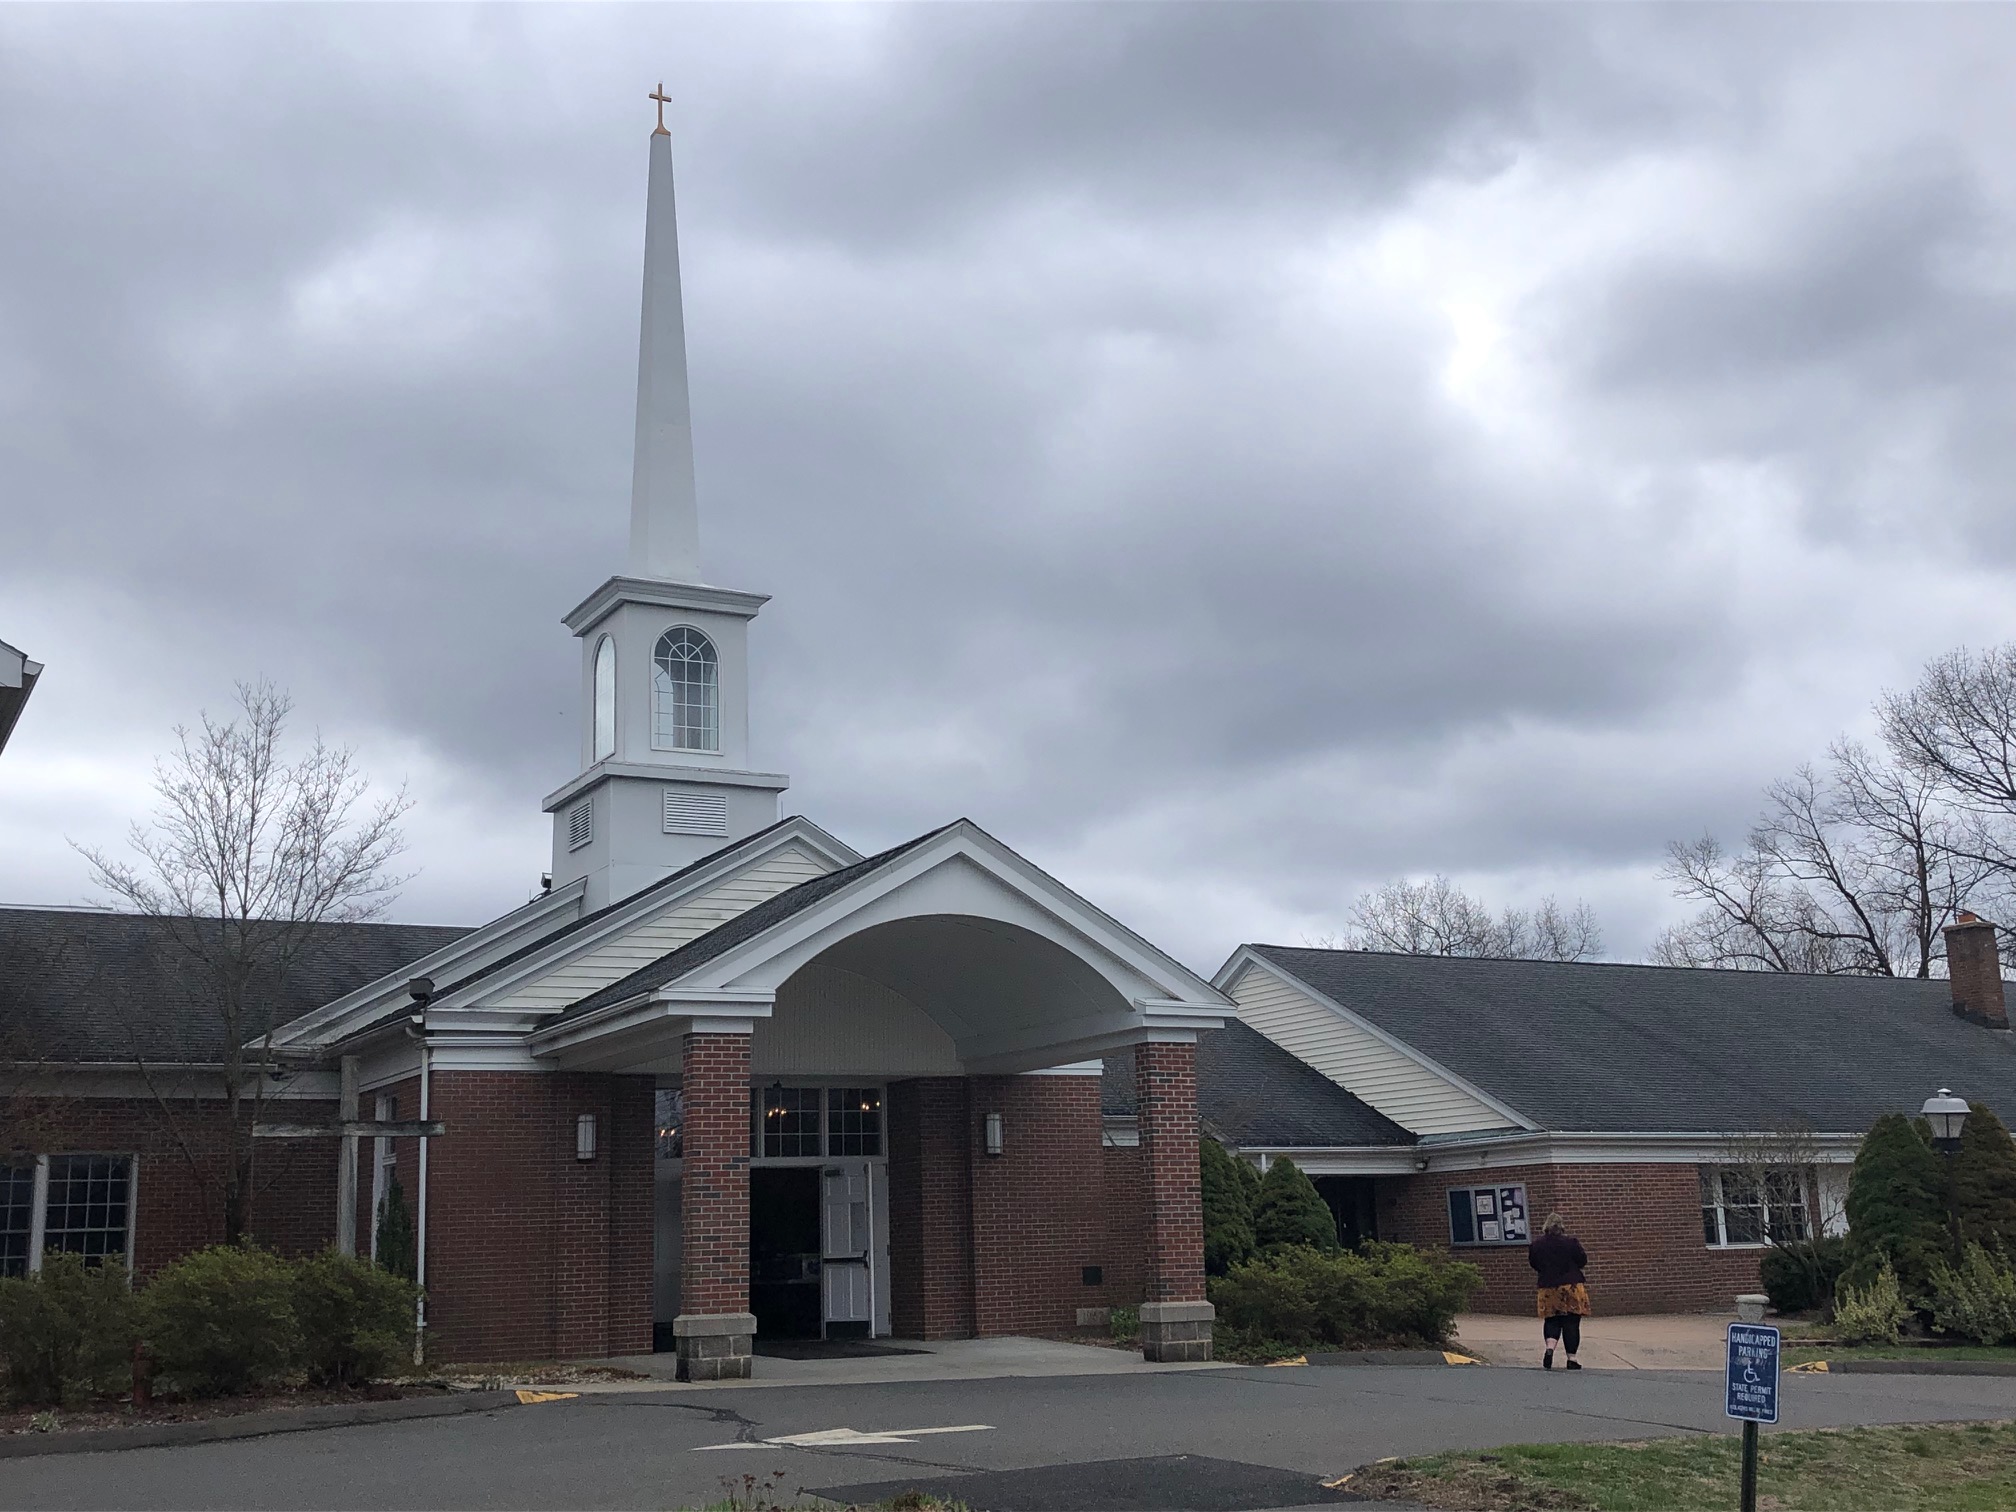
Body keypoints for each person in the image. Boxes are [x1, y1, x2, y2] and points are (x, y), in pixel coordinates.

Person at [1527, 1212, 1589, 1370]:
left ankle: (1550, 1348)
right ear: (1561, 1227)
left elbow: (1534, 1263)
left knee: (1552, 1320)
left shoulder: (1537, 1245)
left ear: (1546, 1227)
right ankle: (1572, 1359)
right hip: (1572, 1286)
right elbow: (1582, 1260)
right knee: (1571, 1323)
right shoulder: (1571, 1242)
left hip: (1548, 1286)